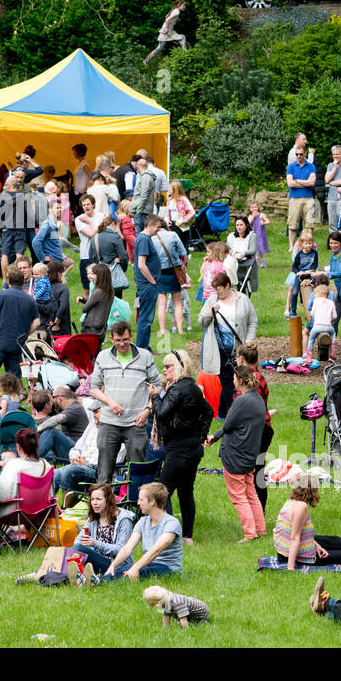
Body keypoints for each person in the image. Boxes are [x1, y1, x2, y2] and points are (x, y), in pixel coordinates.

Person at [151, 350, 214, 544]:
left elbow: (161, 413)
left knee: (162, 491)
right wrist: (201, 435)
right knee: (186, 492)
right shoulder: (193, 386)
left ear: (179, 366)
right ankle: (187, 537)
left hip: (178, 448)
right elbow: (209, 411)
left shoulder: (177, 388)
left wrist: (154, 396)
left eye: (168, 366)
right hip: (192, 447)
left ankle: (167, 535)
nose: (164, 370)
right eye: (163, 367)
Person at [90, 321, 159, 486]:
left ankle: (139, 508)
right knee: (104, 473)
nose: (122, 344)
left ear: (131, 337)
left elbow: (158, 387)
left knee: (138, 473)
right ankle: (103, 508)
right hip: (109, 422)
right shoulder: (103, 357)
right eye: (118, 340)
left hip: (136, 423)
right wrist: (109, 401)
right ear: (112, 338)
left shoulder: (145, 357)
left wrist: (148, 410)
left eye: (125, 340)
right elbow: (94, 388)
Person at [205, 364, 265, 540]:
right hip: (250, 455)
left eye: (233, 378)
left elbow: (228, 424)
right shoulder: (258, 399)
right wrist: (215, 437)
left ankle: (250, 533)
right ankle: (260, 530)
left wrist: (215, 436)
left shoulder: (241, 400)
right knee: (251, 493)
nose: (232, 382)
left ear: (240, 381)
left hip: (235, 455)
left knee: (239, 497)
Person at [91, 481, 182, 583]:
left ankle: (96, 582)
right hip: (147, 564)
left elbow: (156, 551)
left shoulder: (171, 523)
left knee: (140, 572)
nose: (138, 503)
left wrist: (136, 567)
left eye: (141, 500)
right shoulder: (143, 521)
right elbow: (127, 548)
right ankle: (93, 581)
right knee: (121, 570)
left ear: (152, 502)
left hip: (167, 568)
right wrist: (113, 565)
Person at [197, 271, 257, 416]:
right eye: (215, 289)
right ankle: (232, 414)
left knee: (242, 378)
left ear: (227, 285)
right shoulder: (212, 300)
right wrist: (210, 312)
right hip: (219, 349)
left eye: (219, 288)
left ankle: (224, 412)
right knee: (227, 381)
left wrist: (248, 342)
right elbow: (201, 322)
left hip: (239, 349)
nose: (217, 292)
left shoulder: (243, 299)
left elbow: (253, 321)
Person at [0, 268, 40, 400]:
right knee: (13, 380)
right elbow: (37, 322)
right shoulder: (30, 299)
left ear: (9, 281)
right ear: (23, 281)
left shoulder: (3, 294)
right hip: (16, 345)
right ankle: (12, 405)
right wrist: (25, 335)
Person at [274, 470, 341, 568]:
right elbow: (294, 538)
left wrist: (317, 546)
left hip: (286, 550)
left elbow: (298, 533)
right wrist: (290, 567)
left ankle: (317, 547)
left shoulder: (290, 502)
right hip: (291, 555)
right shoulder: (301, 507)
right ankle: (300, 559)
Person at [70, 482, 135, 573]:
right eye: (92, 499)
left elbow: (121, 549)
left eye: (98, 499)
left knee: (78, 549)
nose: (94, 503)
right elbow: (78, 540)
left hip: (117, 564)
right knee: (75, 549)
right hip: (97, 561)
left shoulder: (123, 519)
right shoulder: (94, 518)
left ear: (108, 500)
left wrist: (95, 543)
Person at [0, 426, 52, 516]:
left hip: (15, 514)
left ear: (18, 446)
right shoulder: (47, 466)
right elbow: (50, 495)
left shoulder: (13, 465)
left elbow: (2, 497)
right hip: (39, 512)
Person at [132, 213, 164, 349]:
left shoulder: (143, 238)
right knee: (146, 319)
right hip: (147, 285)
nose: (159, 230)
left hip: (146, 285)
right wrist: (152, 281)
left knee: (146, 318)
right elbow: (141, 264)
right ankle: (141, 348)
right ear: (150, 225)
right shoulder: (144, 239)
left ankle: (144, 346)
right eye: (157, 227)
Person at [40, 384, 90, 460]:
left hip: (75, 451)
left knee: (51, 431)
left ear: (59, 399)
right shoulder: (75, 407)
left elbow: (57, 419)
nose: (53, 402)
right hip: (71, 449)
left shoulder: (74, 408)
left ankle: (32, 460)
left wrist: (37, 429)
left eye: (53, 398)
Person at [285, 148, 317, 251]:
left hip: (308, 198)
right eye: (297, 154)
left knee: (309, 224)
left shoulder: (311, 166)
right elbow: (290, 183)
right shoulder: (291, 167)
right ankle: (291, 246)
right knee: (293, 223)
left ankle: (309, 245)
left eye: (301, 154)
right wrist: (305, 182)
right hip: (294, 198)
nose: (299, 156)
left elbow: (312, 182)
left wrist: (297, 181)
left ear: (305, 154)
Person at [143, 0, 188, 65]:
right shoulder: (177, 12)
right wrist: (167, 29)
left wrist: (177, 19)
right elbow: (167, 20)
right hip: (167, 31)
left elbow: (166, 16)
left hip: (165, 30)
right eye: (183, 5)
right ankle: (186, 58)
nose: (185, 7)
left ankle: (145, 61)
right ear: (179, 4)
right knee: (183, 38)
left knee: (159, 48)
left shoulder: (175, 10)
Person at [142, 585, 209, 628]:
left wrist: (186, 631)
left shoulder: (178, 603)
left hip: (200, 614)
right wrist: (165, 629)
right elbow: (166, 616)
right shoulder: (166, 601)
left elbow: (183, 619)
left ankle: (199, 622)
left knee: (191, 623)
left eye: (154, 606)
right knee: (179, 620)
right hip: (188, 613)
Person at [78, 262, 114, 336]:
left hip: (91, 328)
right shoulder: (110, 290)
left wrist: (85, 302)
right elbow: (97, 303)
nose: (92, 276)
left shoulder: (98, 291)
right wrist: (84, 300)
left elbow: (85, 309)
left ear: (100, 276)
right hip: (101, 327)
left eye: (94, 274)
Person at [323, 146, 341, 233]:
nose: (335, 156)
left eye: (337, 154)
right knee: (332, 223)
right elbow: (326, 179)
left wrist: (330, 182)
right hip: (331, 197)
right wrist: (335, 168)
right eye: (333, 154)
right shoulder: (330, 165)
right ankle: (333, 242)